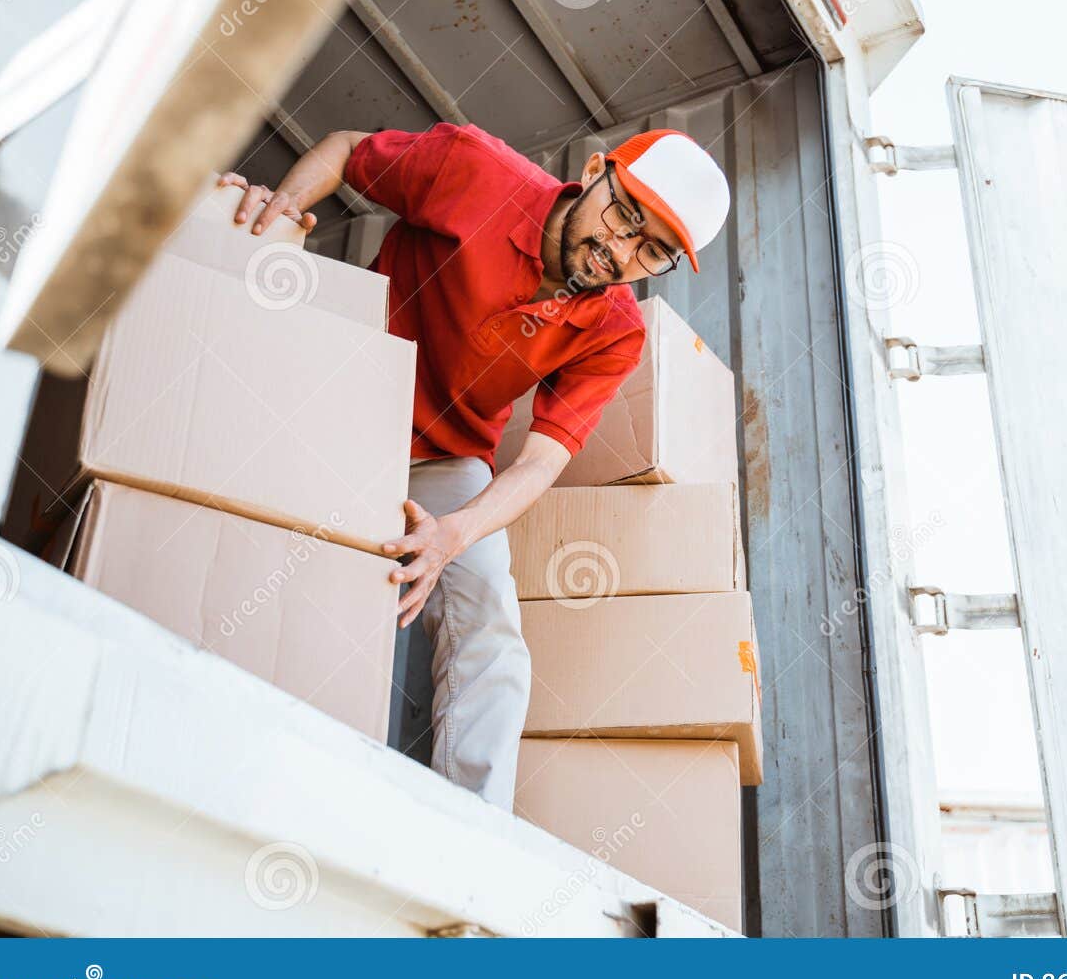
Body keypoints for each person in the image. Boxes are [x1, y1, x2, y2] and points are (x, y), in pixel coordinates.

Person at [219, 123, 730, 808]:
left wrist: (451, 536)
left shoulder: (617, 331)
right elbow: (344, 150)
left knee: (493, 629)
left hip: (446, 454)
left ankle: (471, 830)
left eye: (652, 251)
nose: (620, 250)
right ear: (594, 171)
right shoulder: (474, 168)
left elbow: (541, 461)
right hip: (344, 386)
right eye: (624, 214)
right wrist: (279, 214)